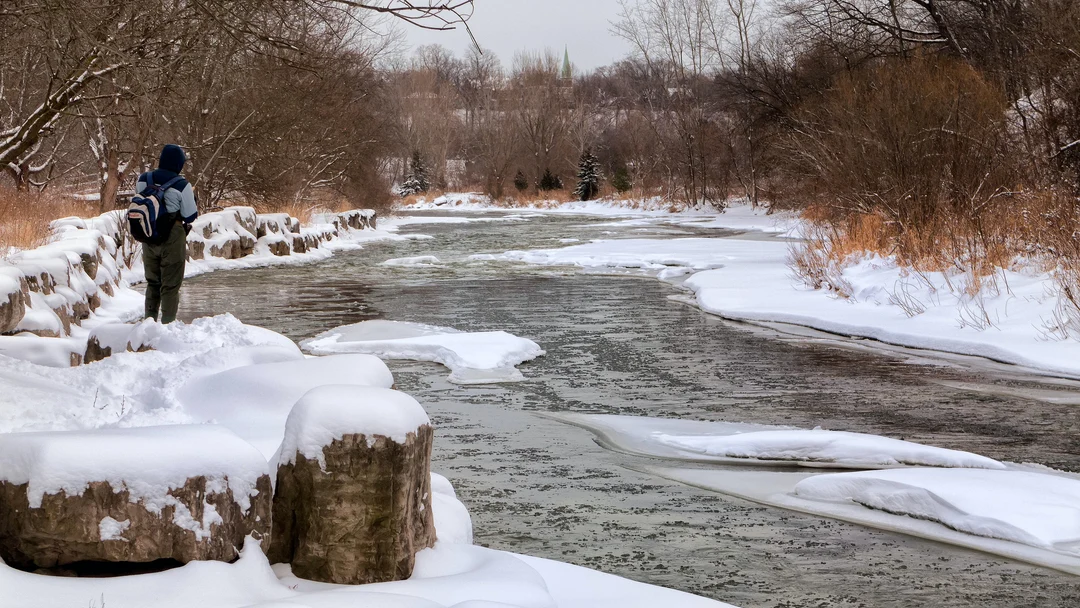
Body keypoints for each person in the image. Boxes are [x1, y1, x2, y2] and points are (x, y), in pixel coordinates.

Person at [137, 144, 198, 324]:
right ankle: (168, 326)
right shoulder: (182, 185)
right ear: (179, 163)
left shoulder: (144, 179)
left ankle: (148, 324)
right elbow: (190, 215)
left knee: (153, 282)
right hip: (172, 237)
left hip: (148, 235)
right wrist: (191, 197)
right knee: (170, 286)